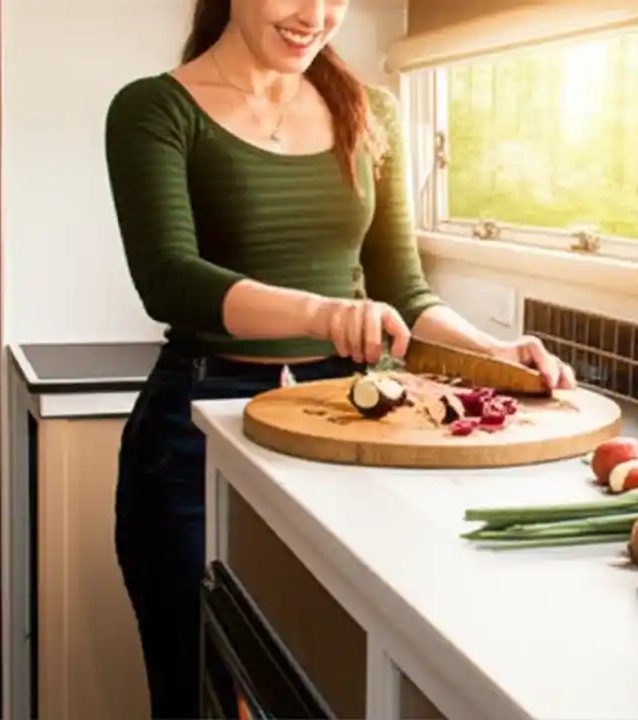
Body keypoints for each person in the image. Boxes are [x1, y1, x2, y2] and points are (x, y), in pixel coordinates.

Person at [103, 0, 576, 715]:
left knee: (321, 685)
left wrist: (493, 350)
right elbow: (169, 278)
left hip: (351, 428)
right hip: (195, 431)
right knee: (196, 689)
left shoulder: (370, 111)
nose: (317, 15)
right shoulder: (154, 108)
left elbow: (403, 291)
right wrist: (324, 313)